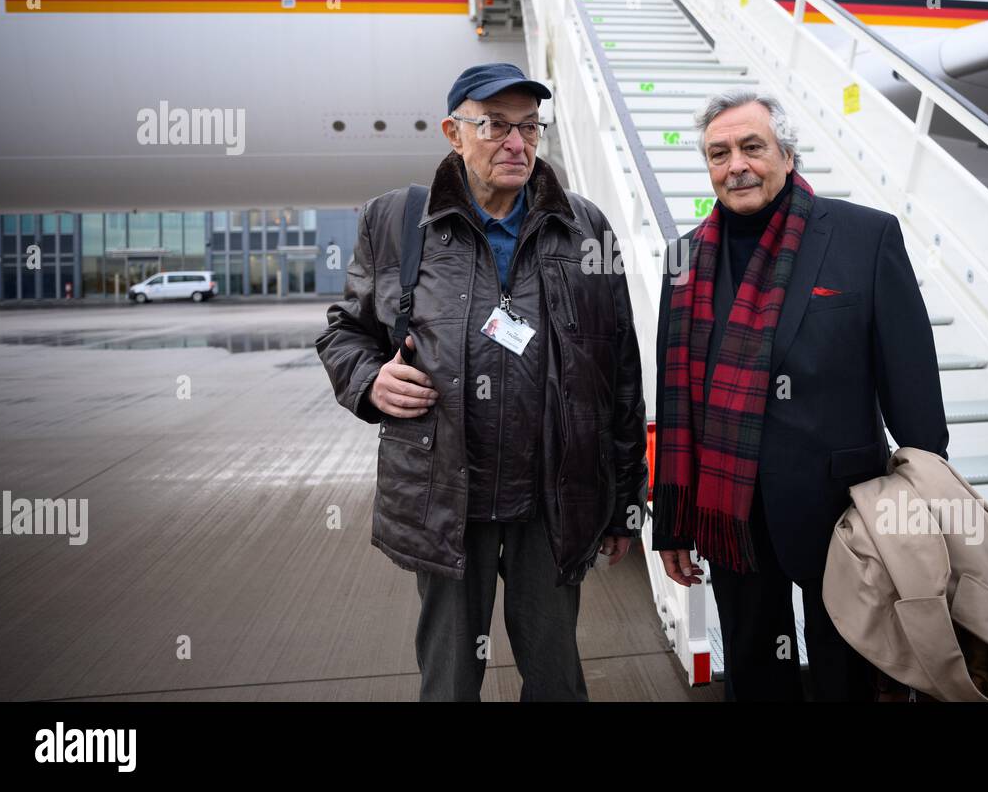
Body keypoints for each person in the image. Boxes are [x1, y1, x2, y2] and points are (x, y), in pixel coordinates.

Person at [316, 62, 648, 701]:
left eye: (530, 127)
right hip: (446, 499)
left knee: (557, 681)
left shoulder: (585, 227)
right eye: (495, 125)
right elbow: (345, 332)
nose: (517, 143)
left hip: (550, 500)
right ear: (454, 132)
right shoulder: (397, 222)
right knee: (448, 682)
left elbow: (619, 368)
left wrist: (624, 500)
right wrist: (370, 380)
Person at [650, 89, 949, 701]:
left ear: (787, 155)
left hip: (843, 509)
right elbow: (674, 394)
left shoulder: (865, 236)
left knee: (851, 674)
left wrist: (927, 490)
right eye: (719, 154)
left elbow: (910, 375)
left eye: (752, 147)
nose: (736, 165)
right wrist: (672, 523)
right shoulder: (684, 257)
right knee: (754, 669)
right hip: (728, 511)